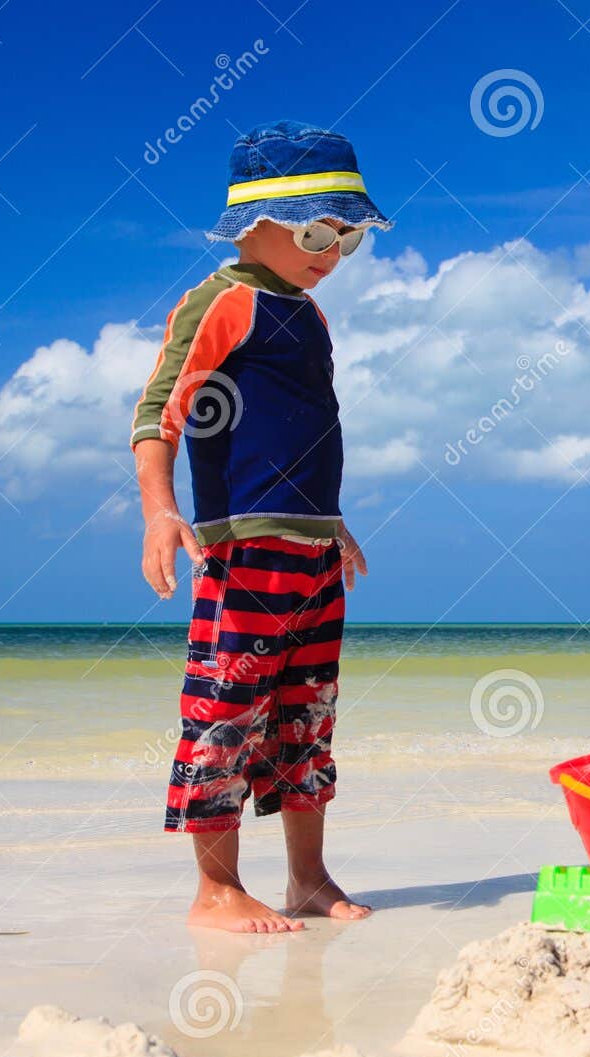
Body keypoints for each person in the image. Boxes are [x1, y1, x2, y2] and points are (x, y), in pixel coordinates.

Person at [130, 120, 387, 933]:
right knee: (226, 709)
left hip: (310, 548)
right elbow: (157, 412)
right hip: (244, 549)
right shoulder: (223, 300)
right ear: (256, 225)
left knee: (308, 716)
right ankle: (214, 890)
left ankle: (307, 878)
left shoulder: (308, 316)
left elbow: (308, 430)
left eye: (347, 237)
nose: (331, 252)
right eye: (318, 231)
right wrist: (161, 513)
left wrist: (331, 524)